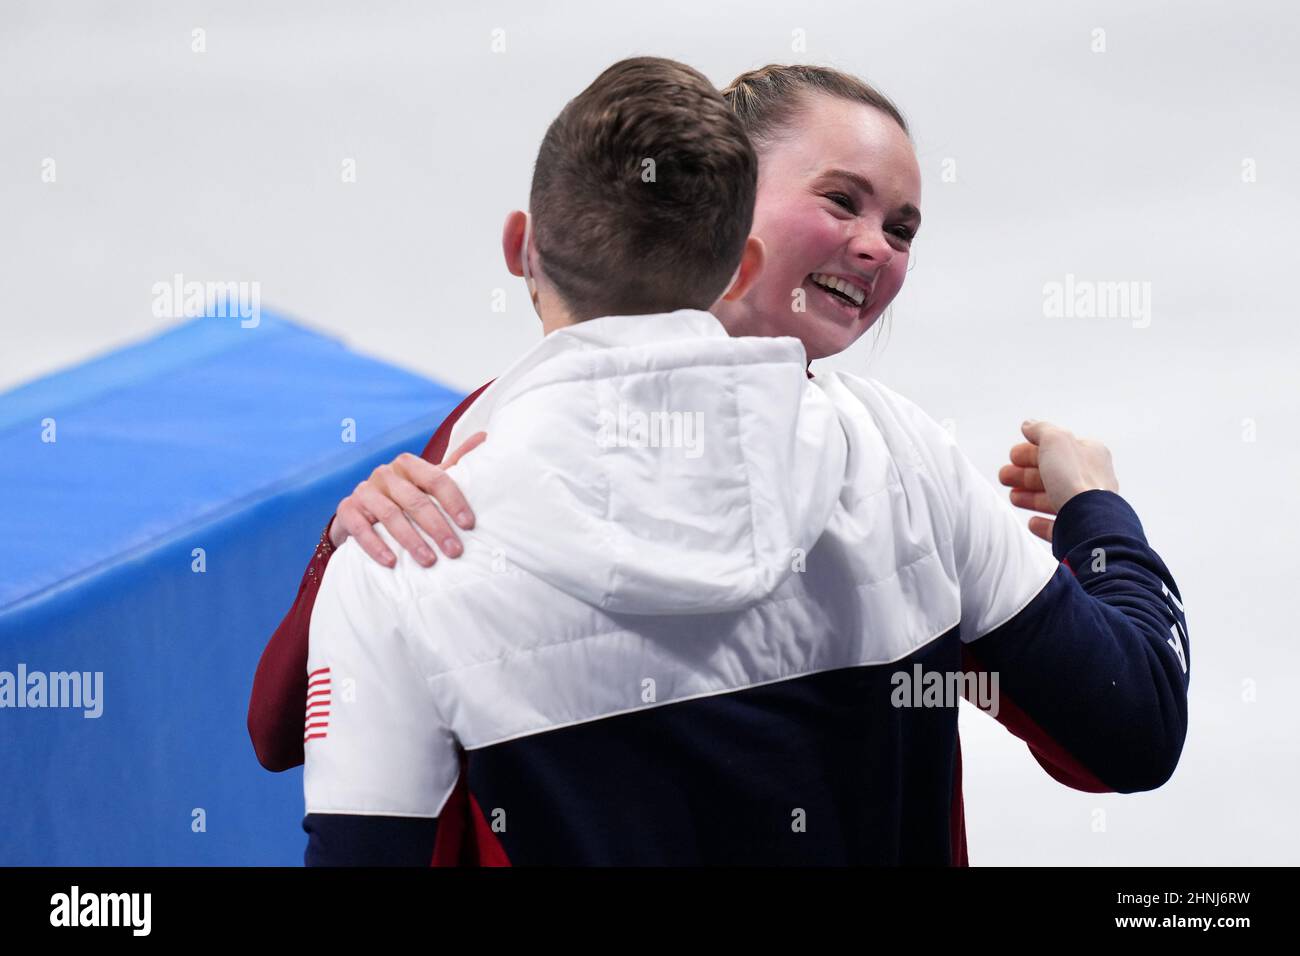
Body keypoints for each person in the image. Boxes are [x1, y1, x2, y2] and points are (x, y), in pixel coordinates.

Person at [252, 62, 1191, 865]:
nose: (874, 245)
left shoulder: (482, 445)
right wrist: (1099, 514)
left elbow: (1116, 724)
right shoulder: (903, 459)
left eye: (901, 228)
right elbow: (1131, 722)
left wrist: (350, 563)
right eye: (840, 200)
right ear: (734, 221)